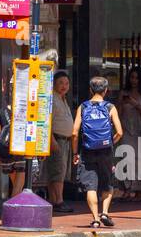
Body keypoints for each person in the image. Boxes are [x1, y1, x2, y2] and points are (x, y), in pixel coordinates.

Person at [72, 76, 123, 228]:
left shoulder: (83, 107)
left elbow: (74, 132)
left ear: (90, 90)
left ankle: (95, 218)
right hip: (106, 151)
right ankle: (105, 212)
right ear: (106, 90)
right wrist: (109, 142)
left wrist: (75, 153)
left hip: (87, 150)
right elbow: (120, 132)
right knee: (107, 183)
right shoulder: (110, 107)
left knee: (90, 185)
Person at [118, 65, 141, 201]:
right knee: (127, 159)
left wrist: (134, 103)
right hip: (128, 130)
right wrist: (122, 103)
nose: (134, 81)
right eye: (132, 77)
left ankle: (139, 192)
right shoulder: (124, 93)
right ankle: (127, 189)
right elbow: (119, 112)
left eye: (137, 78)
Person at [46, 71, 75, 213]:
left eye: (66, 83)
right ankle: (58, 200)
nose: (64, 86)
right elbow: (48, 121)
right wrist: (52, 140)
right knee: (58, 171)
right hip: (57, 139)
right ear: (54, 84)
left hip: (65, 140)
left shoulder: (63, 99)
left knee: (60, 171)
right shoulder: (52, 99)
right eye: (61, 83)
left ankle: (54, 200)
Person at [0, 90, 26, 198]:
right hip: (21, 150)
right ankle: (13, 207)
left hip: (5, 151)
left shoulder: (2, 112)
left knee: (15, 183)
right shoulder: (26, 111)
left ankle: (15, 205)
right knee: (18, 186)